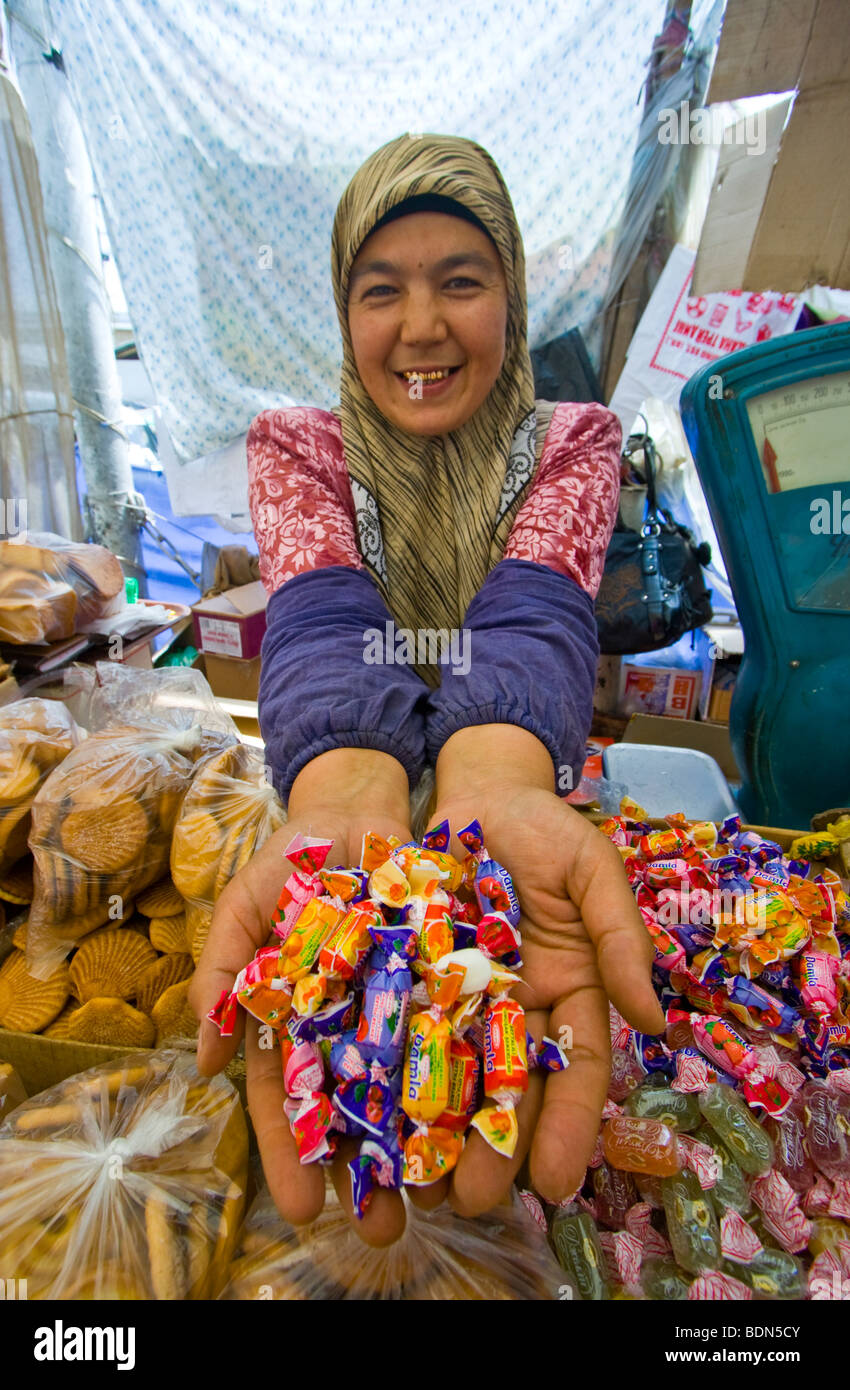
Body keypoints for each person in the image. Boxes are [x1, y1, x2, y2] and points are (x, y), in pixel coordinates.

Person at [190, 133, 663, 1248]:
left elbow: (530, 614)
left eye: (462, 281)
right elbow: (320, 623)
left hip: (512, 815)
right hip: (338, 808)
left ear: (512, 289)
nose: (420, 327)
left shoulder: (569, 443)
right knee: (348, 1095)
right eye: (379, 290)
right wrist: (339, 795)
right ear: (340, 307)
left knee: (492, 1096)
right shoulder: (302, 450)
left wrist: (494, 781)